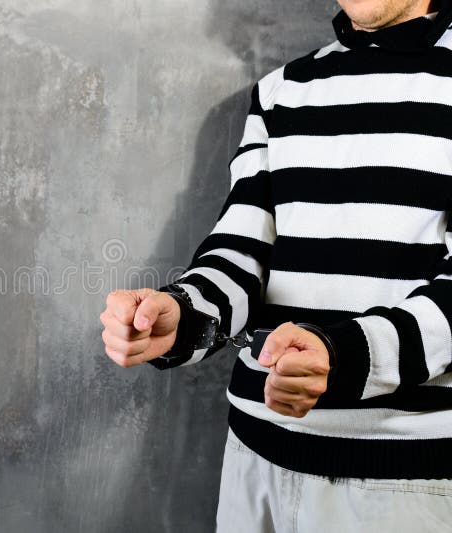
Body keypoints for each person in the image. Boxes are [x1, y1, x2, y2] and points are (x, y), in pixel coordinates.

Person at [100, 1, 452, 531]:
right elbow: (241, 254)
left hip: (401, 479)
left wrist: (341, 356)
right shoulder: (281, 90)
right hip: (254, 457)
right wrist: (183, 316)